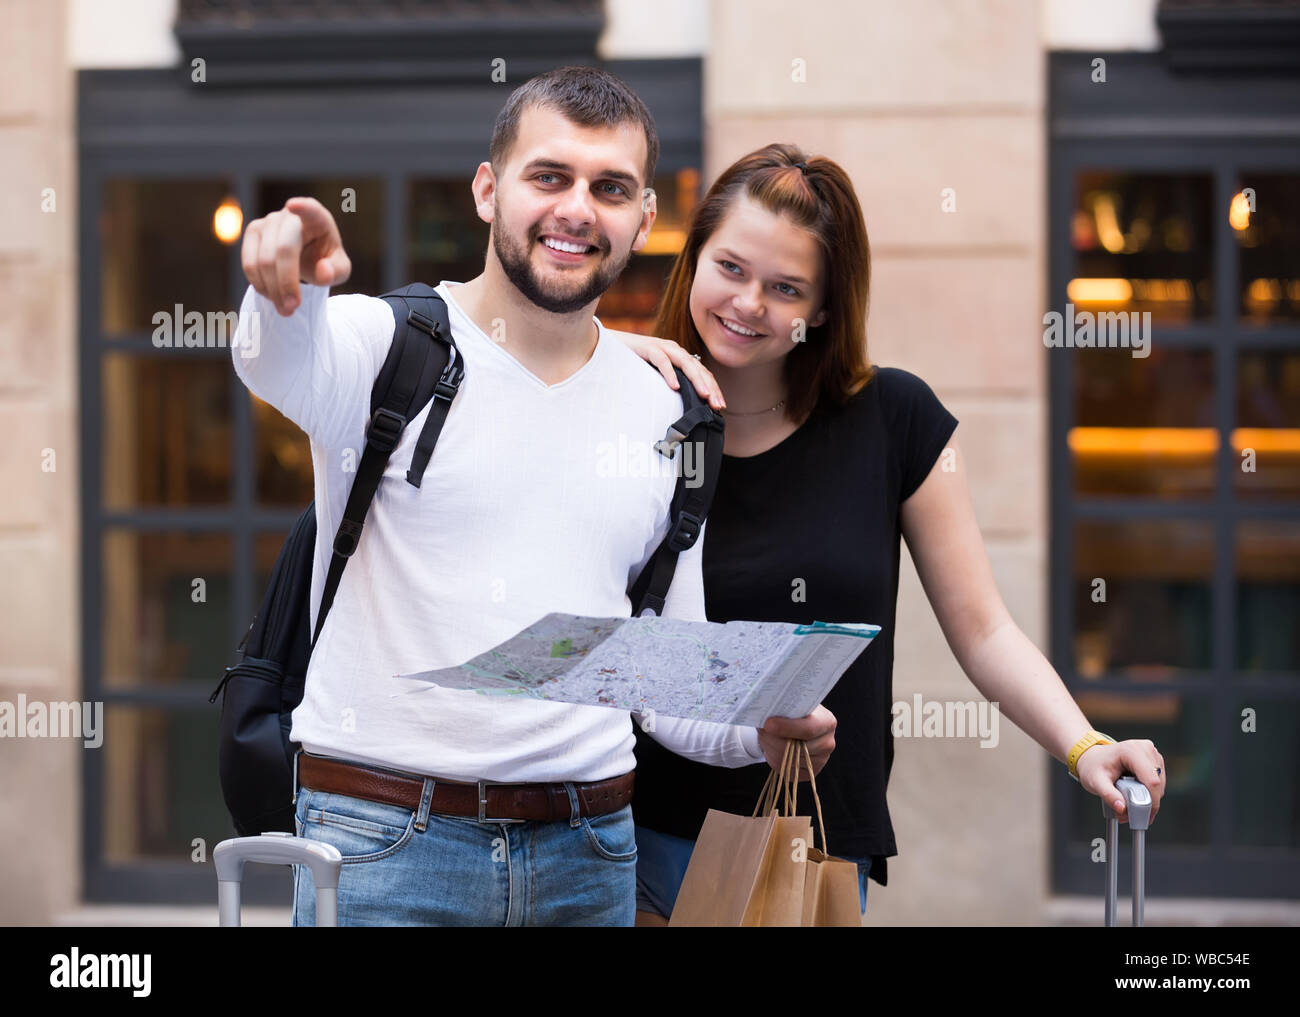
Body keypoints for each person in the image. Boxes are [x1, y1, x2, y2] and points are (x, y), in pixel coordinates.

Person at [229, 70, 835, 927]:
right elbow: (275, 362)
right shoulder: (393, 345)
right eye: (549, 177)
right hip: (384, 843)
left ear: (645, 219)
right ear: (489, 190)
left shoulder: (672, 410)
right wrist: (289, 286)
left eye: (610, 188)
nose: (578, 209)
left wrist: (757, 727)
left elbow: (661, 671)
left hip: (589, 856)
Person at [616, 144, 1167, 925]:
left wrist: (1085, 746)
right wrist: (601, 354)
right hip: (632, 839)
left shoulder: (895, 420)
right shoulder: (632, 411)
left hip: (804, 853)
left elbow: (985, 632)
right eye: (730, 268)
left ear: (824, 310)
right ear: (694, 258)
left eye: (786, 288)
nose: (748, 302)